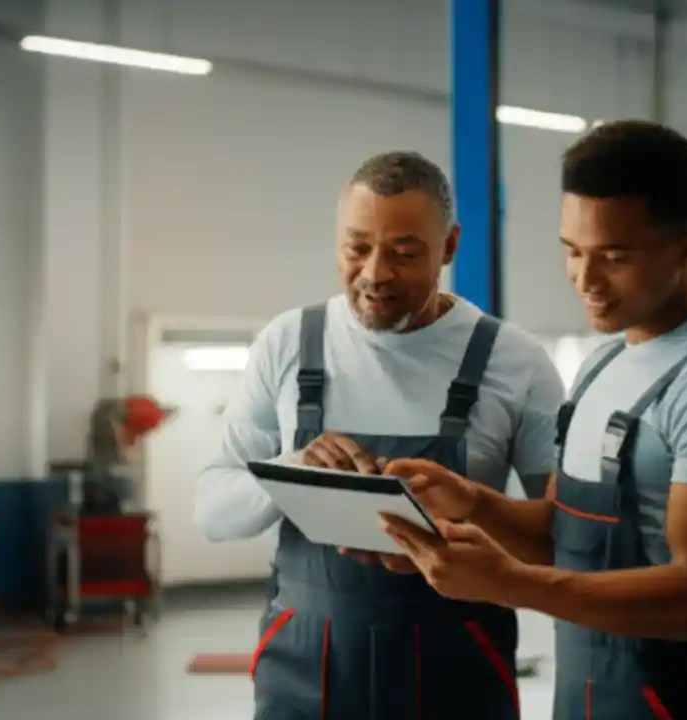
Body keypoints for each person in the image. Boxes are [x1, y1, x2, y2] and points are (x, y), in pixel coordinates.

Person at [380, 120, 687, 720]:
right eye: (573, 251)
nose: (586, 280)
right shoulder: (603, 364)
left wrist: (506, 584)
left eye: (614, 256)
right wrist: (470, 503)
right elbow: (561, 538)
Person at [195, 151, 565, 719]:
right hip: (306, 672)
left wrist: (470, 519)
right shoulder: (289, 342)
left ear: (449, 247)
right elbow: (213, 514)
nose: (374, 273)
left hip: (457, 670)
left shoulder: (513, 360)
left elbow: (564, 536)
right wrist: (291, 472)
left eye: (404, 252)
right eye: (356, 247)